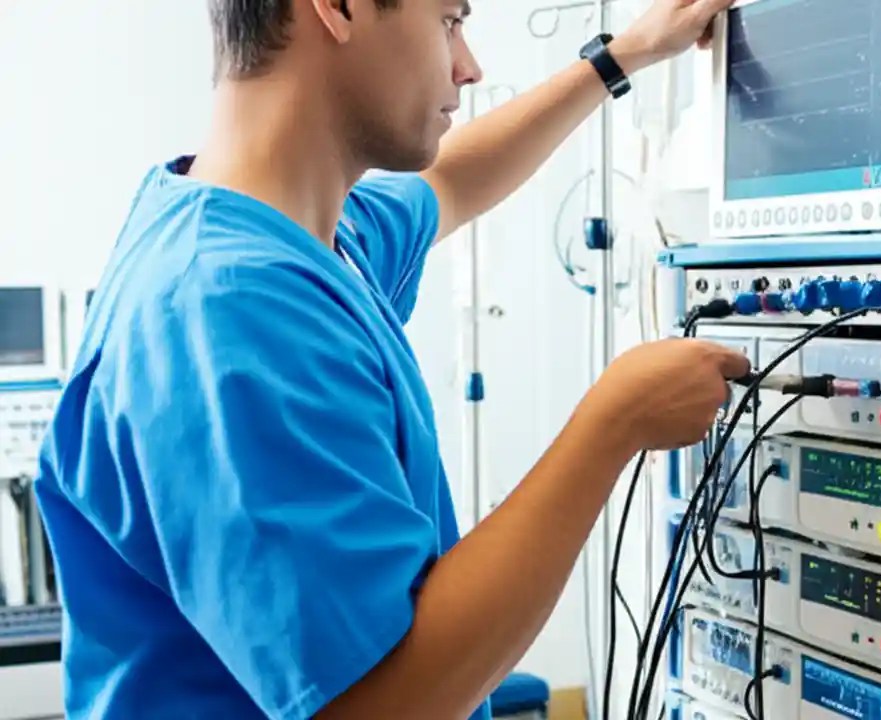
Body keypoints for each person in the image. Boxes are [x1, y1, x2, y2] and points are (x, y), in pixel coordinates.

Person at [33, 0, 745, 718]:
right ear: (338, 9)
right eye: (449, 21)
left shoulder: (294, 235)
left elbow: (454, 181)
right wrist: (613, 422)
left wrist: (621, 58)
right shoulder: (231, 311)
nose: (469, 67)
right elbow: (378, 707)